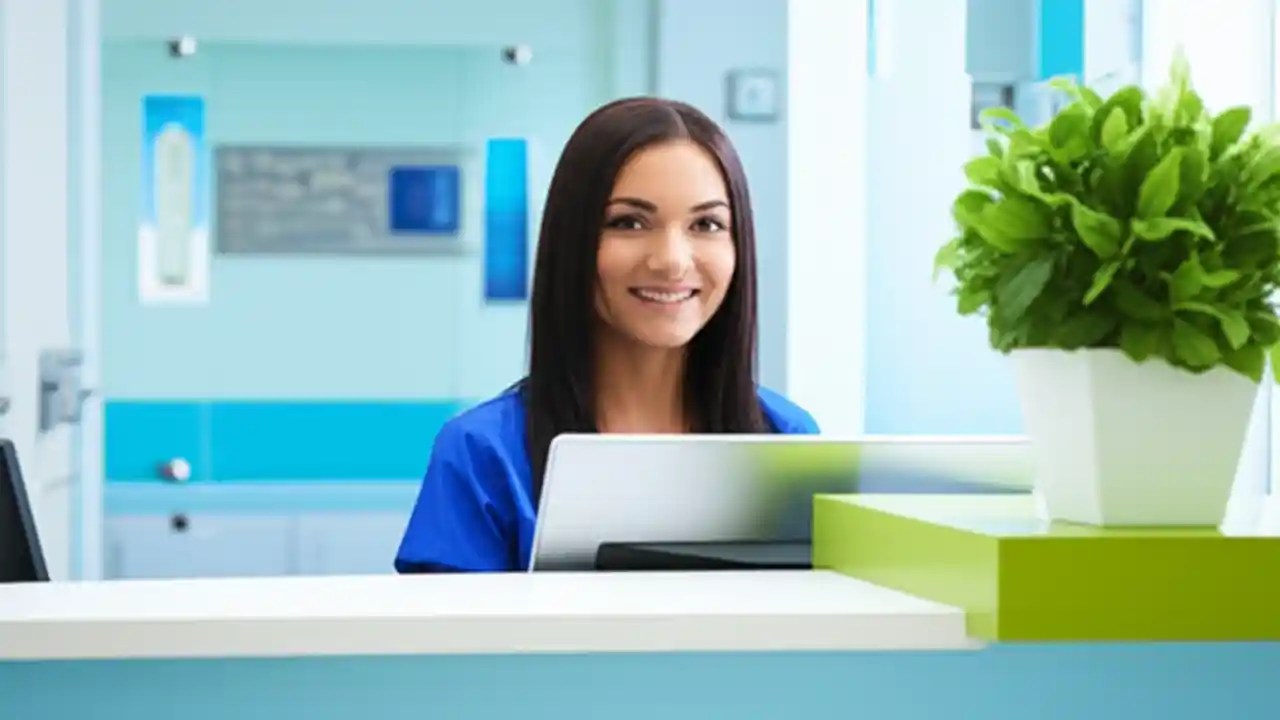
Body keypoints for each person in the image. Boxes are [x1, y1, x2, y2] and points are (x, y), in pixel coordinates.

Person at [394, 97, 818, 573]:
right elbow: (446, 643)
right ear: (573, 240)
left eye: (707, 224)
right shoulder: (484, 454)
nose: (672, 260)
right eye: (629, 222)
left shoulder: (787, 441)